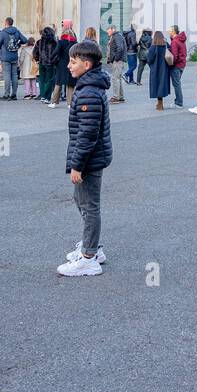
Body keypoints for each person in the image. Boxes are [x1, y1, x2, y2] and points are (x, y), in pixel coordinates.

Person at [57, 40, 113, 277]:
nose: (69, 65)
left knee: (89, 206)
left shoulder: (89, 91)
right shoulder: (87, 85)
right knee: (80, 200)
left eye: (73, 61)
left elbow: (88, 134)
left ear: (86, 64)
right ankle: (93, 246)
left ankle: (89, 257)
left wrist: (77, 165)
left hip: (90, 159)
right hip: (90, 156)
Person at [0, 17, 28, 100]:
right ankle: (14, 94)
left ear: (6, 22)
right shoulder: (16, 31)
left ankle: (6, 94)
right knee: (14, 75)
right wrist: (18, 44)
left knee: (7, 75)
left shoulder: (3, 33)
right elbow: (25, 40)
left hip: (5, 56)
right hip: (14, 56)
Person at [51, 22, 78, 107]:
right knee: (70, 84)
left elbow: (55, 52)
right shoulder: (75, 42)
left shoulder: (61, 42)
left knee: (58, 83)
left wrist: (52, 58)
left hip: (61, 65)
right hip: (72, 64)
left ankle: (54, 102)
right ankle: (70, 103)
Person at [147, 30, 173, 110]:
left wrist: (151, 66)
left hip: (155, 69)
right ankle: (160, 103)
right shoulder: (166, 45)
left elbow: (149, 59)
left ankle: (159, 103)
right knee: (162, 85)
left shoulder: (153, 47)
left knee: (156, 85)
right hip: (164, 69)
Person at [35, 26, 59, 104]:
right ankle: (46, 97)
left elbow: (35, 53)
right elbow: (56, 54)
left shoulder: (39, 42)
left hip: (41, 63)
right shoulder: (54, 43)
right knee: (50, 80)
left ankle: (42, 96)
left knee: (42, 80)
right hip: (50, 64)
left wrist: (37, 60)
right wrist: (54, 61)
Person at [105, 24, 128, 103]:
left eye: (108, 29)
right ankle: (121, 96)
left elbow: (120, 48)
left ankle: (116, 97)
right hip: (118, 60)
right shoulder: (116, 36)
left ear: (112, 29)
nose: (107, 31)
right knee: (119, 78)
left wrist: (116, 58)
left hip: (118, 61)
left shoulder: (117, 36)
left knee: (115, 78)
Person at [168, 25, 188, 107]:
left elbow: (174, 55)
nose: (169, 32)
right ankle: (178, 101)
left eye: (170, 31)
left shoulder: (175, 41)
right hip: (182, 64)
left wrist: (171, 64)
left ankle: (179, 102)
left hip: (176, 65)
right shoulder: (181, 40)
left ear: (173, 31)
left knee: (176, 84)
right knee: (177, 84)